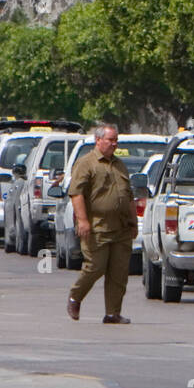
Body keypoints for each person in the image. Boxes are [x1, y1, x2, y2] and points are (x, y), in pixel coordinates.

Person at [66, 123, 137, 324]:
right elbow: (76, 193)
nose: (114, 144)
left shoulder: (119, 165)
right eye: (110, 140)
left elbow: (128, 196)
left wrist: (134, 222)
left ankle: (113, 313)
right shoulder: (86, 163)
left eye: (116, 141)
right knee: (95, 267)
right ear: (98, 140)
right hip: (98, 227)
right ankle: (75, 296)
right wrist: (82, 221)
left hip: (121, 228)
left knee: (119, 273)